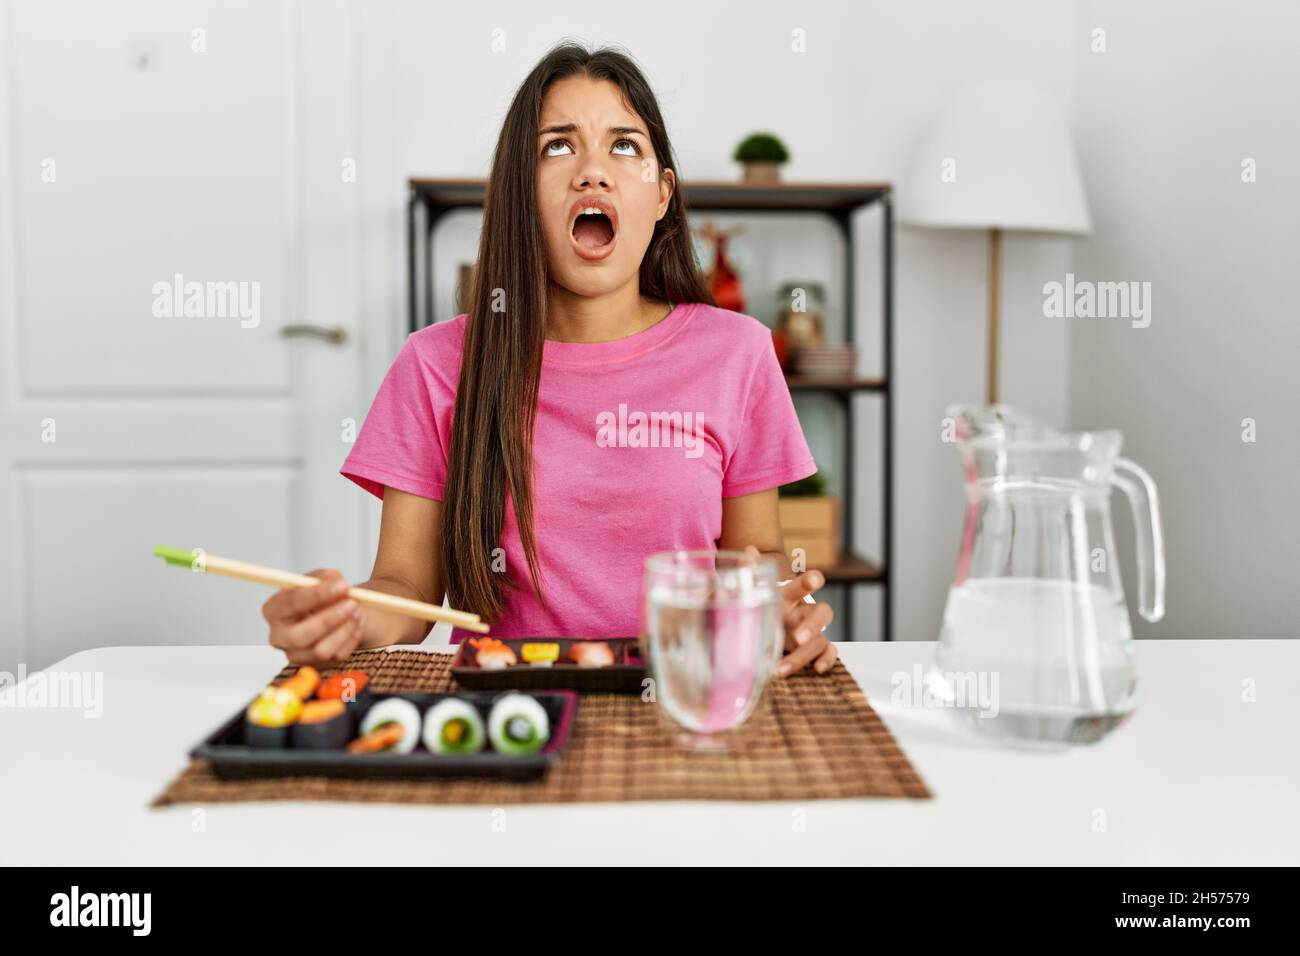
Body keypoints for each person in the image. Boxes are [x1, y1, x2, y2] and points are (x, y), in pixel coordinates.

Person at [263, 42, 836, 676]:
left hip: (685, 690)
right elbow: (407, 590)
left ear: (661, 194)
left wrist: (779, 608)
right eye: (558, 147)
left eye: (625, 146)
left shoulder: (739, 352)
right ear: (519, 192)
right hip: (508, 702)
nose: (593, 172)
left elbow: (760, 557)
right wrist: (343, 615)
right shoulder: (434, 364)